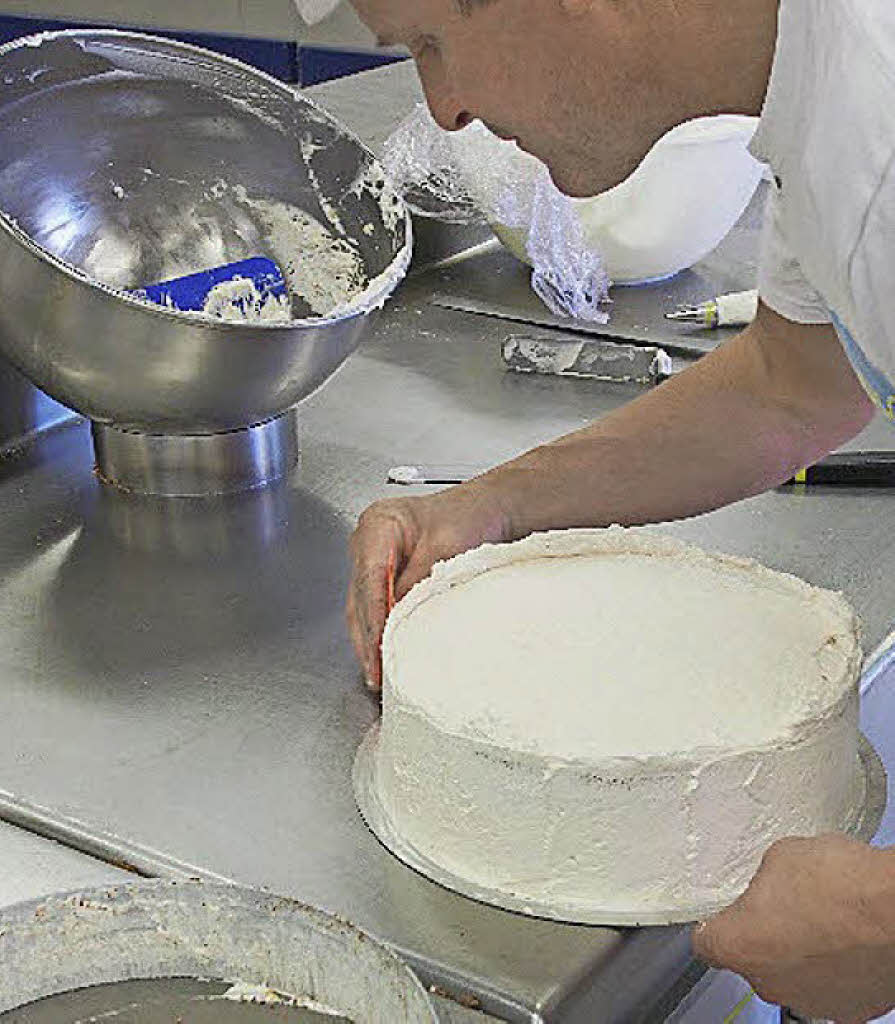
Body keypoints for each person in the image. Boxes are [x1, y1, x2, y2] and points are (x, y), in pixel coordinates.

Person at [345, 2, 895, 1019]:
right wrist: (494, 506)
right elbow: (792, 383)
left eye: (431, 41)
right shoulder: (816, 94)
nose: (446, 106)